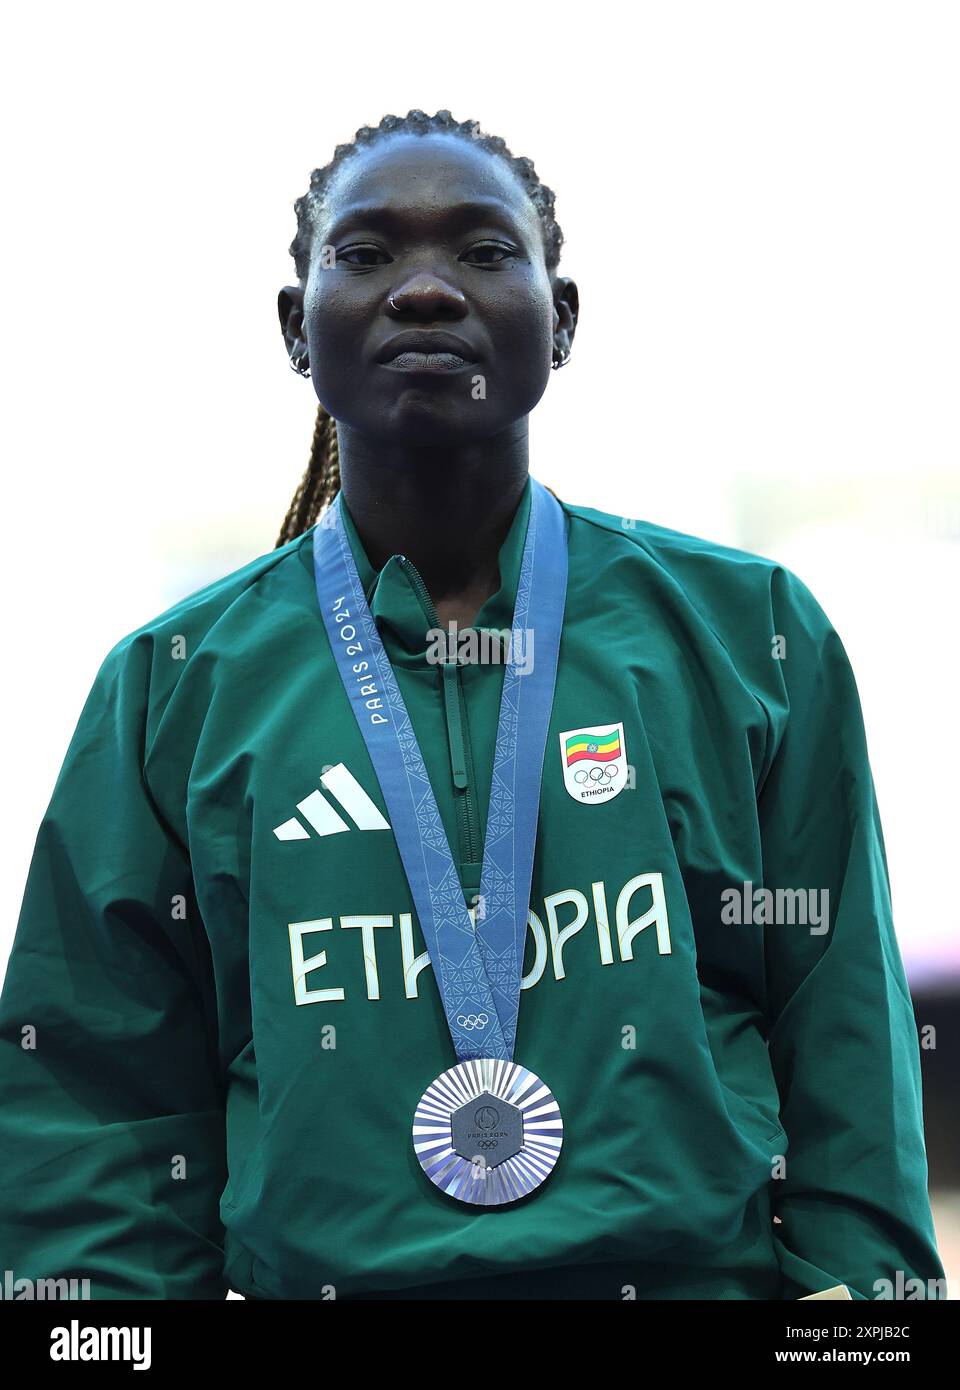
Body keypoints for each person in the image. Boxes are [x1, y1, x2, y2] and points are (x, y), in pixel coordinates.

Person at [0, 109, 945, 1301]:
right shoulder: (175, 685)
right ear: (298, 328)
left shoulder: (750, 635)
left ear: (565, 321)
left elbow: (844, 1037)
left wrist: (864, 1322)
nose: (427, 289)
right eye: (367, 254)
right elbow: (97, 1107)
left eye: (487, 251)